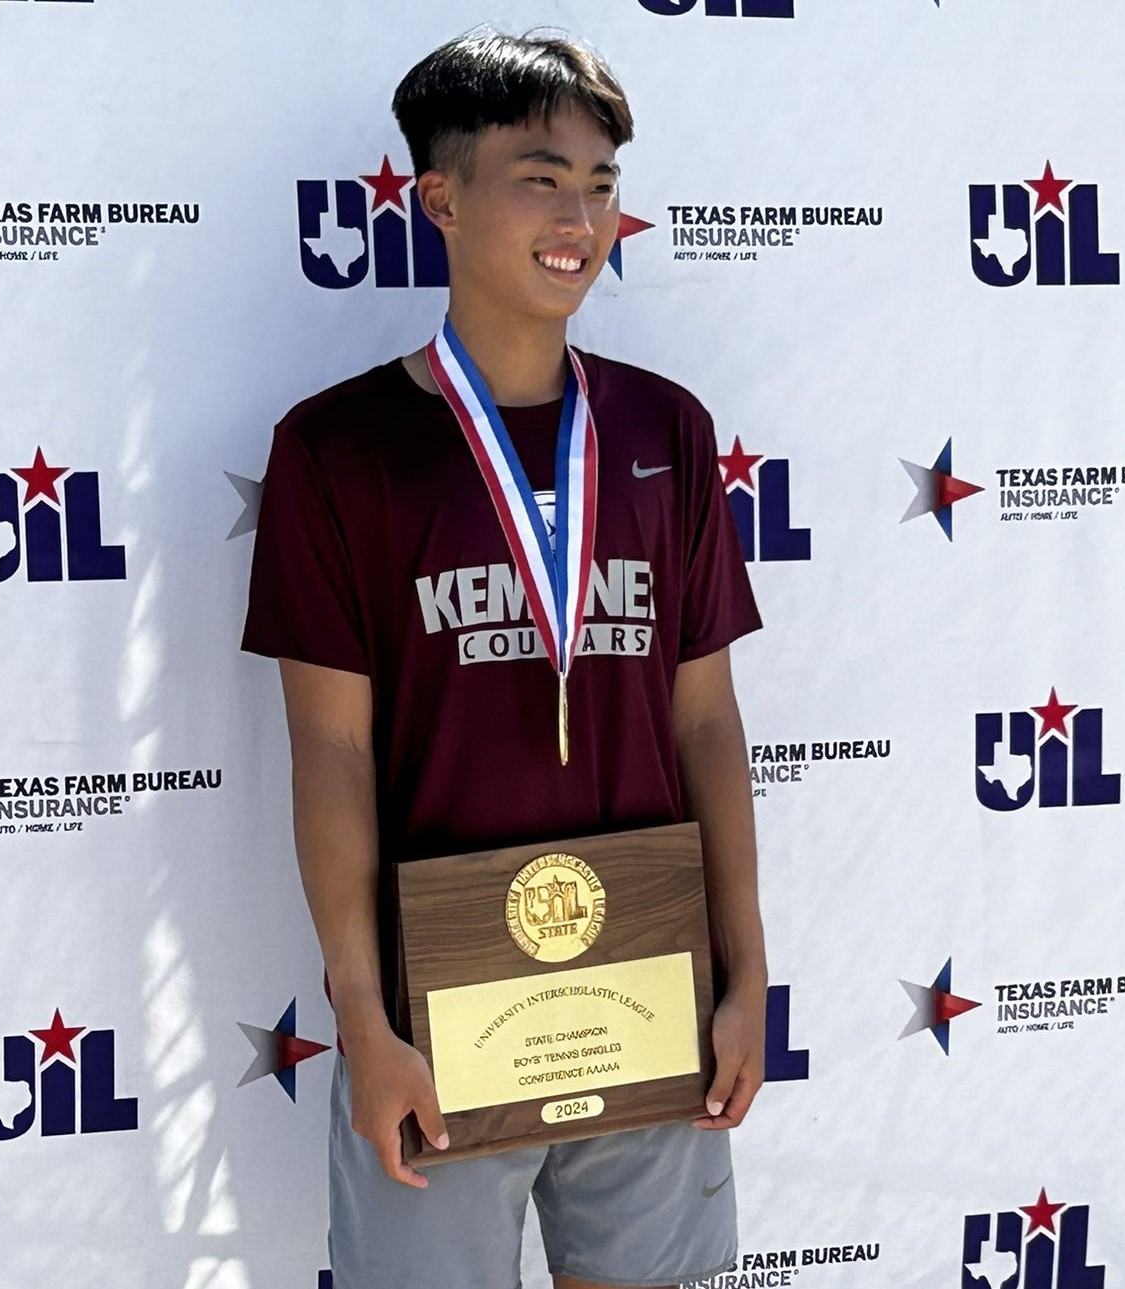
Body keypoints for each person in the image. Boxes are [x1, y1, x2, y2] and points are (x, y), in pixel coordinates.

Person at [243, 29, 766, 1289]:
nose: (579, 214)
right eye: (541, 176)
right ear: (441, 196)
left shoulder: (666, 429)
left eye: (600, 183)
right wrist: (364, 1022)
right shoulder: (339, 449)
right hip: (440, 1013)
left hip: (652, 996)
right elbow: (331, 751)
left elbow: (707, 722)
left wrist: (747, 973)